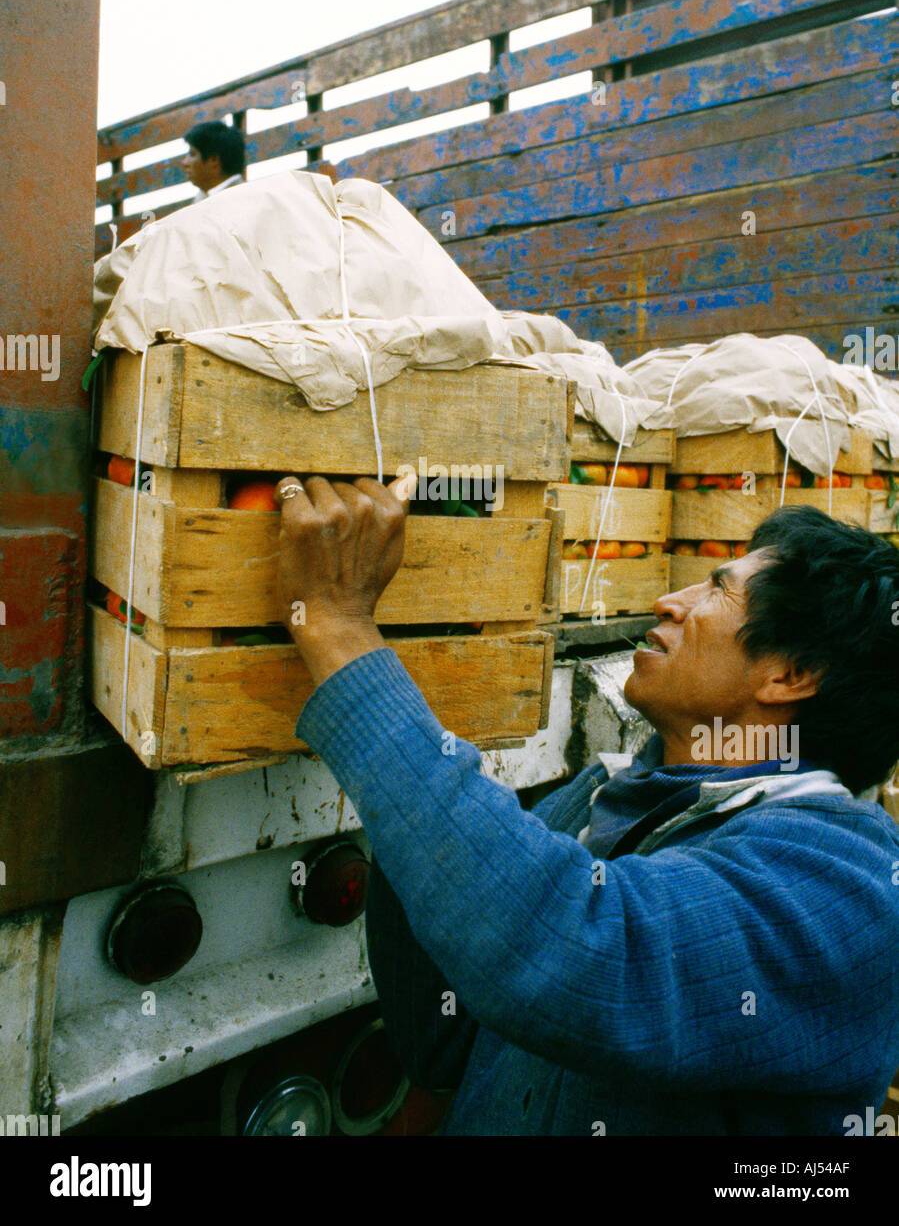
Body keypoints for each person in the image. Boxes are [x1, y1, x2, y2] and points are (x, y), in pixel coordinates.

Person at [274, 480, 899, 1136]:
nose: (670, 600)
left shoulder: (846, 884)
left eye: (715, 588)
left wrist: (340, 631)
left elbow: (576, 952)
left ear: (789, 675)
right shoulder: (612, 797)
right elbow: (447, 1035)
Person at [183, 120, 245, 200]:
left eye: (192, 154)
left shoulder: (238, 199)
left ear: (214, 160)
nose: (185, 163)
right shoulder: (205, 196)